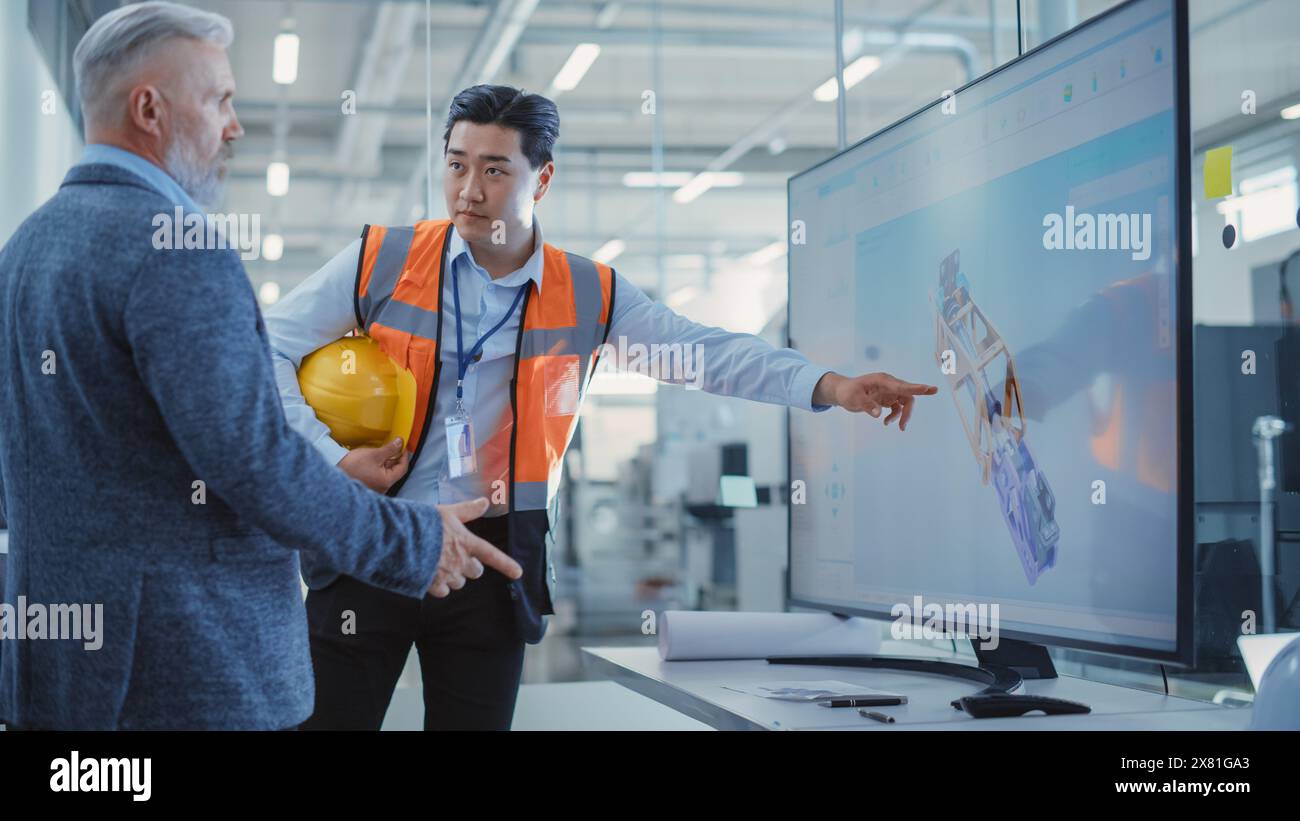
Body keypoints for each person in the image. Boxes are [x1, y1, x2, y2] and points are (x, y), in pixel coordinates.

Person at [265, 83, 938, 731]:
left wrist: (830, 385)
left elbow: (700, 353)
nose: (469, 191)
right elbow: (264, 349)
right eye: (456, 165)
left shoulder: (589, 291)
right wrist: (330, 461)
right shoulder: (385, 258)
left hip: (492, 561)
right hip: (376, 540)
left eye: (494, 170)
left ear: (543, 179)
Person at [0, 1, 519, 731]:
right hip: (181, 675)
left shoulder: (24, 250)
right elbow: (254, 462)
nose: (233, 125)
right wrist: (414, 540)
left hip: (57, 676)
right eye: (220, 100)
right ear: (149, 109)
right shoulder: (175, 249)